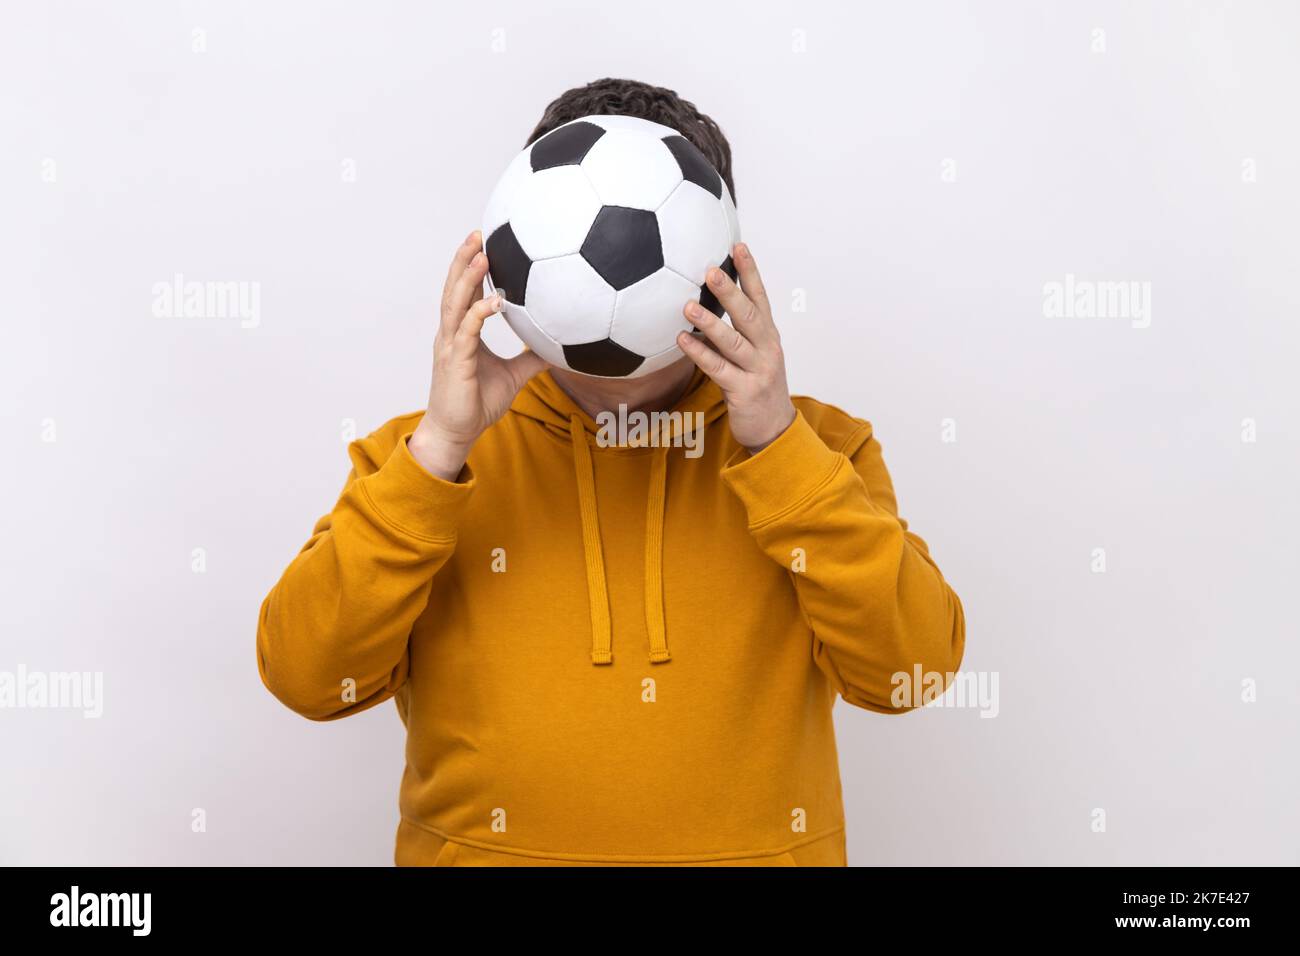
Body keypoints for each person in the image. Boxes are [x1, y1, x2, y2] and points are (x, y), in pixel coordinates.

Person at [256, 77, 965, 866]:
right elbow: (306, 680)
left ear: (718, 252)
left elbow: (914, 674)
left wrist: (776, 443)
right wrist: (439, 450)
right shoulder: (420, 462)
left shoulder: (819, 450)